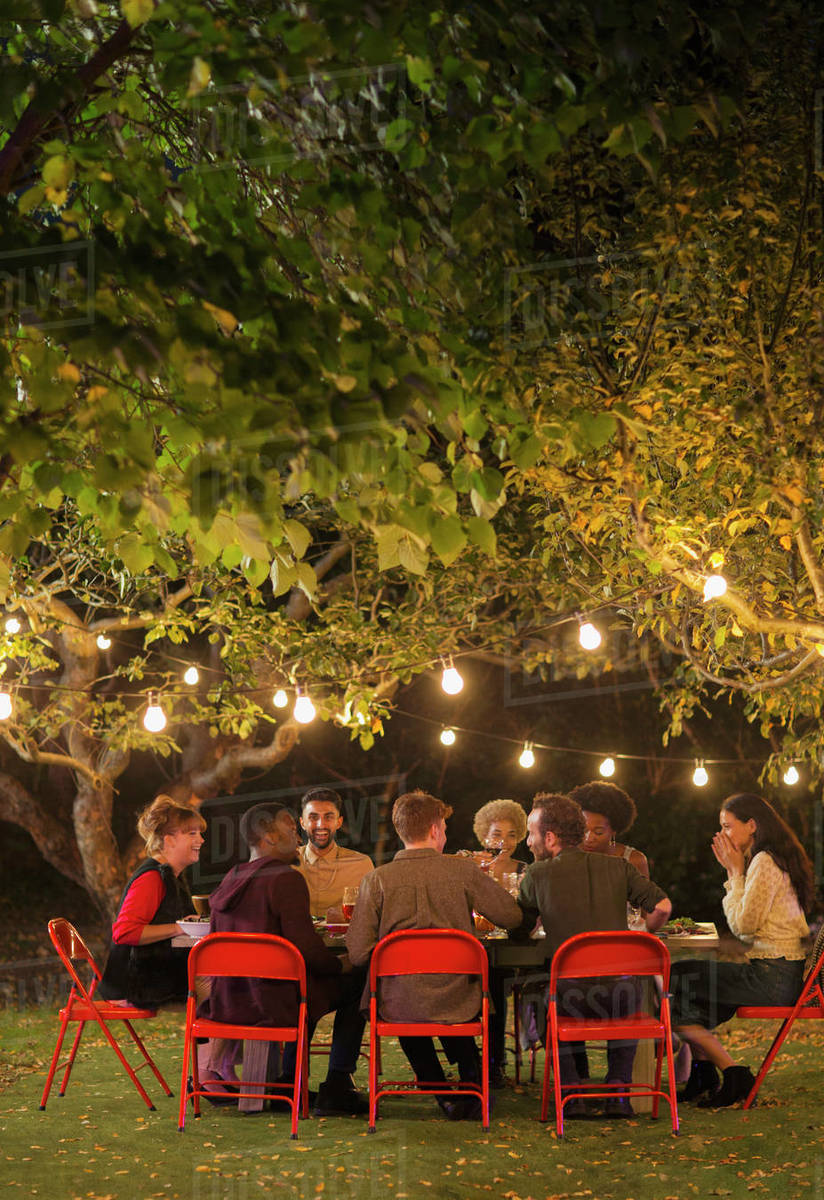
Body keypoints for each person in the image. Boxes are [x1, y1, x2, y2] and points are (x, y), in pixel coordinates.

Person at [345, 789, 522, 1119]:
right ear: (435, 830)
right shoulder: (463, 871)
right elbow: (512, 917)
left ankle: (440, 1090)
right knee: (442, 996)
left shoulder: (375, 880)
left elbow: (357, 952)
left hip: (398, 1002)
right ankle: (472, 1082)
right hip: (459, 997)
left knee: (405, 999)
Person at [203, 801, 369, 1116]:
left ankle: (289, 1080)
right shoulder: (286, 879)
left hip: (228, 1001)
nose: (297, 834)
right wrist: (343, 962)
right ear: (268, 834)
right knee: (356, 979)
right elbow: (306, 951)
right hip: (273, 1002)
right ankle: (337, 1084)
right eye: (290, 827)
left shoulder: (232, 877)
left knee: (303, 985)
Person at [516, 791, 671, 1117]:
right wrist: (643, 936)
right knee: (623, 992)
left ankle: (572, 1094)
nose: (528, 843)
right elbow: (663, 906)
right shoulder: (618, 867)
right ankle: (618, 1093)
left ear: (550, 837)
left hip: (570, 997)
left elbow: (520, 929)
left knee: (541, 995)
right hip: (621, 993)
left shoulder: (537, 874)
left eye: (531, 834)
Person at [671, 792, 813, 1107]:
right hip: (775, 973)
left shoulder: (764, 861)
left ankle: (733, 1073)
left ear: (751, 825)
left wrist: (734, 874)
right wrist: (737, 872)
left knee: (673, 980)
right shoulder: (767, 858)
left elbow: (743, 925)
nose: (723, 835)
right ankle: (703, 1072)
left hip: (772, 977)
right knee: (684, 984)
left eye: (728, 826)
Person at [98, 795, 206, 1009]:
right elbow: (125, 932)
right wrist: (179, 928)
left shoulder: (170, 875)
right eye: (192, 833)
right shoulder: (152, 877)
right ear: (169, 840)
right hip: (136, 984)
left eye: (200, 834)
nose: (201, 840)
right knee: (224, 990)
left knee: (224, 987)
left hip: (152, 975)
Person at [295, 787, 374, 920]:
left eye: (328, 817)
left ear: (339, 822)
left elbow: (372, 916)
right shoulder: (286, 863)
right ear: (302, 823)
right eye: (313, 817)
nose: (321, 825)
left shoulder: (361, 864)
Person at [569, 780, 650, 877]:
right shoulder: (567, 856)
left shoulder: (632, 861)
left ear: (614, 830)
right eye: (583, 830)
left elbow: (644, 892)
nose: (588, 838)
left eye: (598, 832)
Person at [471, 798, 528, 883]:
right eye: (497, 835)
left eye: (511, 835)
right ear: (484, 835)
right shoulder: (471, 868)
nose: (504, 841)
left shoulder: (526, 872)